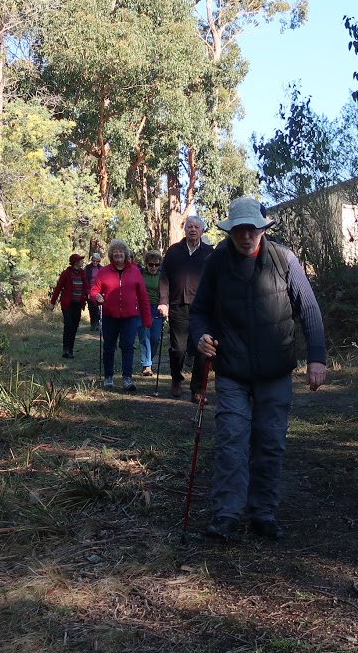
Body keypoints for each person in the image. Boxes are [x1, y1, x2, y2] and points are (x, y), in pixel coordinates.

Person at [191, 197, 327, 542]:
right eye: (239, 230)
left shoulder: (284, 259)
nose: (246, 236)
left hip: (275, 369)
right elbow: (200, 311)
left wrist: (316, 358)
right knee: (231, 440)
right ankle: (227, 514)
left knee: (269, 442)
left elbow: (308, 309)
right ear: (230, 231)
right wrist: (201, 336)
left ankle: (262, 513)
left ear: (263, 229)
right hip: (232, 368)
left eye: (252, 229)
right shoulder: (217, 261)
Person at [161, 216, 214, 399]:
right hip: (178, 305)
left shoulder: (210, 252)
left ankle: (198, 390)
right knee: (179, 349)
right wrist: (163, 301)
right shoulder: (174, 251)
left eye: (196, 227)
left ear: (202, 231)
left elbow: (217, 280)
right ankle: (176, 378)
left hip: (203, 308)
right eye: (189, 226)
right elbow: (164, 277)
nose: (193, 229)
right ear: (185, 229)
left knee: (202, 348)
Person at [90, 239, 153, 391]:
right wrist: (96, 297)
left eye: (121, 251)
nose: (118, 254)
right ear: (111, 255)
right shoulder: (104, 271)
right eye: (115, 251)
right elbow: (93, 291)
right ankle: (108, 377)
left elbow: (143, 296)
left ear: (126, 254)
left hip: (130, 317)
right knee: (109, 347)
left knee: (128, 347)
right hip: (109, 316)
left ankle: (127, 378)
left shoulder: (135, 271)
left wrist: (146, 319)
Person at [48, 253, 89, 359]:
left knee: (75, 326)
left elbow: (86, 287)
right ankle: (65, 349)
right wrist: (52, 303)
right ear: (76, 262)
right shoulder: (66, 273)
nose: (82, 262)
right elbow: (58, 288)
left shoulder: (82, 273)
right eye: (81, 260)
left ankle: (70, 349)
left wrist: (90, 296)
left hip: (78, 304)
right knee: (68, 325)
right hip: (67, 304)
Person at [137, 249, 165, 376]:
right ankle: (146, 365)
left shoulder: (163, 275)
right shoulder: (140, 273)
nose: (154, 267)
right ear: (146, 264)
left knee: (155, 338)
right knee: (144, 336)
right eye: (151, 264)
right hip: (143, 307)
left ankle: (149, 359)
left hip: (157, 308)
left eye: (157, 264)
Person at [84, 250, 104, 332]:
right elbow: (85, 280)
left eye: (97, 261)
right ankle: (93, 324)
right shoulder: (87, 268)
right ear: (92, 260)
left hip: (99, 290)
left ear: (99, 261)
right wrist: (88, 291)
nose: (95, 262)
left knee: (98, 307)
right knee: (91, 307)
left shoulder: (101, 268)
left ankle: (99, 323)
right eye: (94, 260)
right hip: (90, 290)